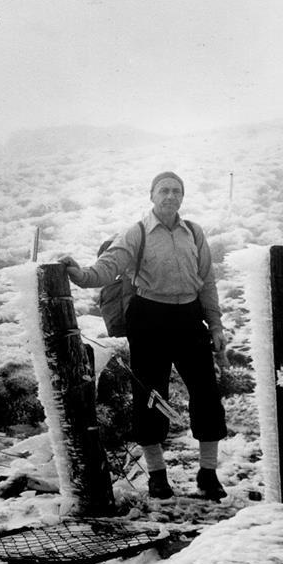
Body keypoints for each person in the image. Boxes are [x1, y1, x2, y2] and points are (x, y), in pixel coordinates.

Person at [59, 171, 228, 501]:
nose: (170, 196)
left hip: (190, 317)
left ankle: (208, 474)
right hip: (149, 317)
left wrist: (216, 325)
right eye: (164, 190)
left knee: (207, 394)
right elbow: (108, 267)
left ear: (182, 197)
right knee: (150, 395)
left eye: (176, 191)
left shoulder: (194, 232)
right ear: (152, 195)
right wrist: (79, 275)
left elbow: (207, 281)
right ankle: (157, 475)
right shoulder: (136, 232)